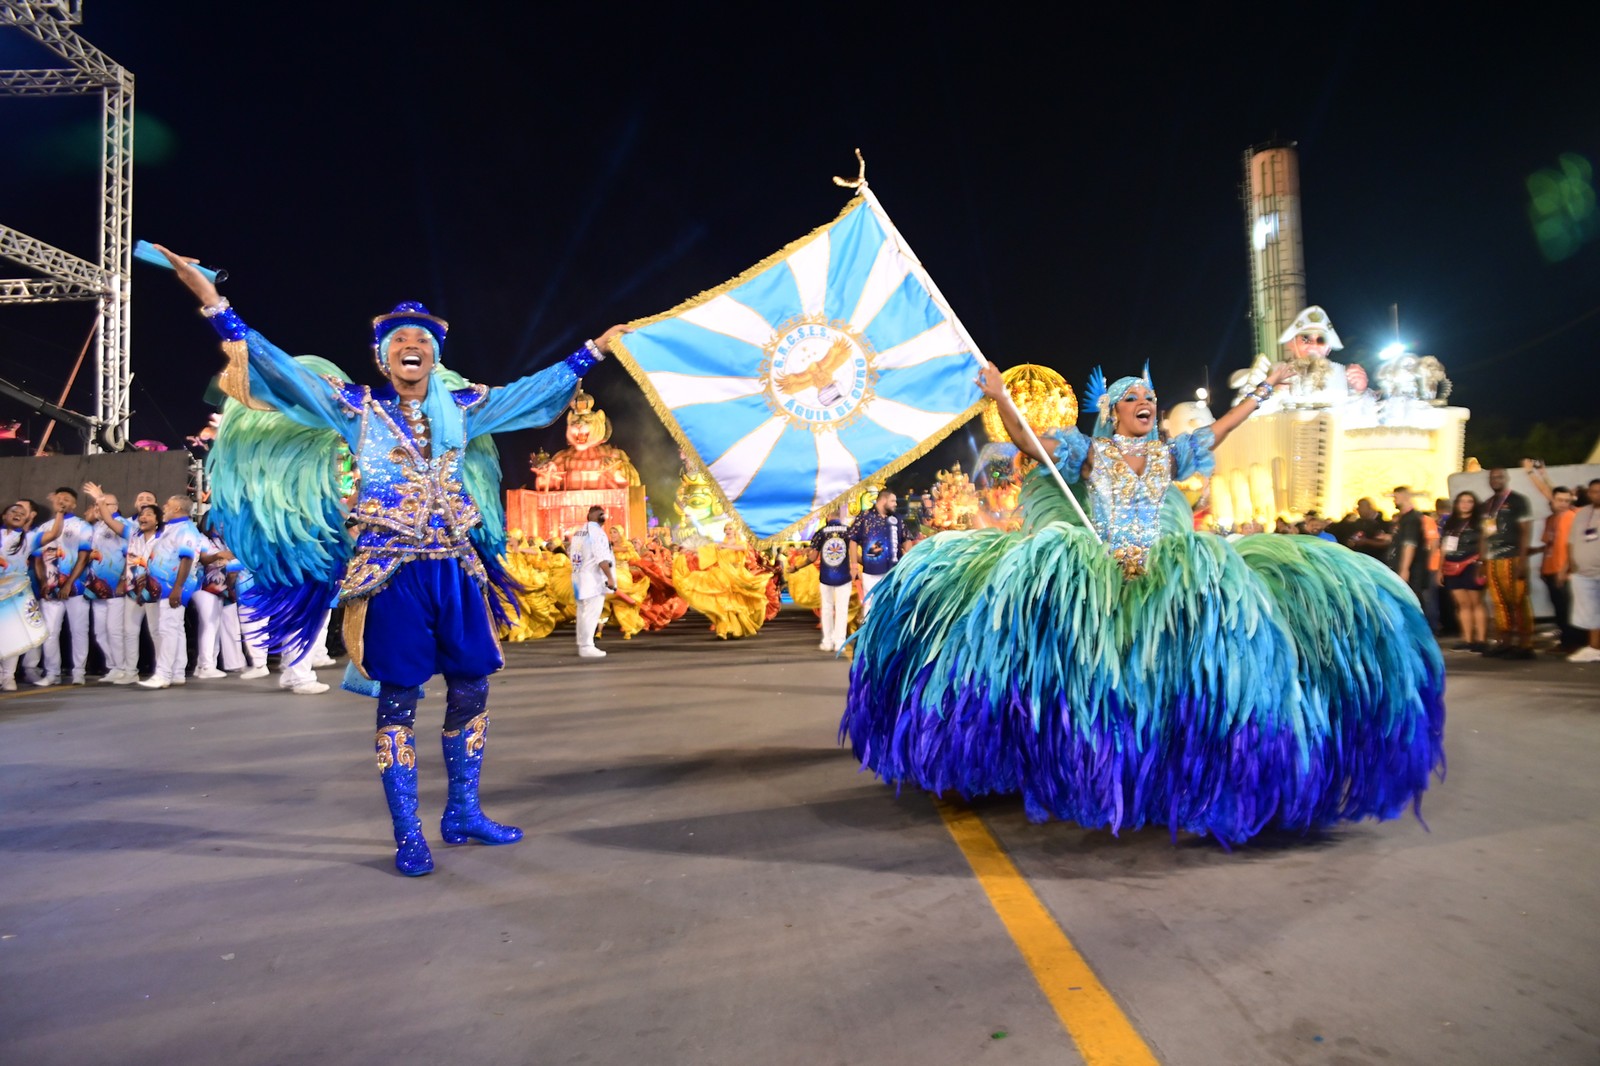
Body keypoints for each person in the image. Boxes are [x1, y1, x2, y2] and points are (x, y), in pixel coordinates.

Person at [155, 242, 626, 877]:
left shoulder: (464, 408)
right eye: (401, 338)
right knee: (398, 698)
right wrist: (213, 301)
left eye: (425, 338)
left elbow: (533, 391)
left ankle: (462, 812)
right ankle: (408, 834)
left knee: (473, 687)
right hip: (391, 573)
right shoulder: (356, 408)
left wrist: (593, 349)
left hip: (457, 569)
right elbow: (276, 370)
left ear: (437, 354)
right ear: (384, 356)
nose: (414, 344)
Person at [840, 361, 1445, 845]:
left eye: (1150, 396)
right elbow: (1028, 440)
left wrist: (1267, 388)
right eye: (1133, 397)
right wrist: (999, 395)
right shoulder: (1089, 452)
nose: (1146, 402)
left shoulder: (1169, 453)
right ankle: (1069, 767)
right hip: (1097, 573)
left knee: (1189, 668)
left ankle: (1190, 780)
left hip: (1165, 571)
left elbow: (1224, 427)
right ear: (1113, 412)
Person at [136, 496, 228, 689]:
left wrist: (177, 588)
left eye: (167, 505)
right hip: (164, 586)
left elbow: (187, 559)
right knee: (175, 628)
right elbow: (200, 557)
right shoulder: (171, 528)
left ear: (177, 507)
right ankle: (177, 672)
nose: (164, 507)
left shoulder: (185, 529)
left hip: (173, 586)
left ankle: (163, 674)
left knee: (167, 628)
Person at [32, 487, 95, 686]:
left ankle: (78, 672)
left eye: (66, 499)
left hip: (75, 588)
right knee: (49, 632)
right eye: (59, 499)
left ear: (74, 505)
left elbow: (84, 557)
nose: (62, 502)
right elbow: (38, 559)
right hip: (50, 589)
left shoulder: (83, 526)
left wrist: (68, 583)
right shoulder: (44, 528)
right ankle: (52, 673)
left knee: (78, 631)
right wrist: (43, 582)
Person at [0, 502, 61, 690]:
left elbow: (53, 534)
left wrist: (59, 512)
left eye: (21, 513)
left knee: (12, 636)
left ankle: (8, 677)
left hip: (15, 593)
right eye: (13, 511)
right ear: (4, 516)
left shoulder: (28, 538)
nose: (17, 514)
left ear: (27, 519)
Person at [1523, 462, 1583, 651]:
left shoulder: (1571, 516)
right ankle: (1566, 640)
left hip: (1562, 571)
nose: (1563, 503)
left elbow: (1572, 548)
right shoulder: (1552, 519)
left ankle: (1572, 642)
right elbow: (1550, 544)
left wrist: (1533, 473)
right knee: (1559, 608)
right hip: (1550, 570)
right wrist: (1535, 553)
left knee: (1566, 609)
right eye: (1560, 500)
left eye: (1567, 500)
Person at [1481, 467, 1534, 658]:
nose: (1495, 480)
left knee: (1518, 600)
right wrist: (1481, 561)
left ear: (1506, 478)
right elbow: (1485, 534)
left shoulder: (1518, 501)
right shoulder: (1487, 504)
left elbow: (1526, 531)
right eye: (1492, 477)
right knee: (1499, 602)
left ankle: (1525, 644)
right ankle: (1505, 642)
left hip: (1513, 557)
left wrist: (1523, 560)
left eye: (1499, 477)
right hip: (1493, 559)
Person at [1440, 492, 1488, 652]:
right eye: (1462, 501)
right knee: (1462, 604)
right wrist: (1440, 568)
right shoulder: (1449, 523)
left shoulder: (1479, 522)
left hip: (1472, 564)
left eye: (1469, 501)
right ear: (1456, 504)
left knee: (1476, 603)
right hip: (1452, 566)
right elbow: (1444, 547)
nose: (1465, 504)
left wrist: (1481, 563)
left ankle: (1480, 640)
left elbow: (1485, 543)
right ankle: (1467, 639)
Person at [571, 505, 617, 660]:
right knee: (591, 613)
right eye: (601, 514)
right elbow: (601, 558)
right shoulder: (597, 533)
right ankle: (587, 646)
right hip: (592, 580)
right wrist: (610, 578)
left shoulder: (579, 533)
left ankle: (583, 643)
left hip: (579, 579)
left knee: (583, 613)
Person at [848, 490, 901, 619]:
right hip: (872, 572)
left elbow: (906, 540)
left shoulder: (896, 519)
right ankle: (868, 637)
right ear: (883, 500)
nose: (895, 504)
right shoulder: (864, 517)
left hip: (894, 572)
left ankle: (886, 637)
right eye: (893, 501)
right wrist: (854, 565)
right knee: (870, 606)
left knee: (891, 606)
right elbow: (853, 540)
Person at [1564, 479, 1600, 663]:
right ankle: (1594, 648)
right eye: (1593, 491)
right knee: (1590, 611)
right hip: (1583, 572)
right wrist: (1571, 563)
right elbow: (1571, 540)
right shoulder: (1583, 513)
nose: (1597, 494)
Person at [809, 502, 852, 652]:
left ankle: (827, 641)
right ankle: (839, 641)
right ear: (839, 516)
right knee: (842, 609)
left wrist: (797, 566)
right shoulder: (848, 531)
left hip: (826, 576)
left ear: (828, 516)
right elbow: (855, 554)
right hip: (844, 576)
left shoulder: (821, 532)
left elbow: (812, 557)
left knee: (826, 608)